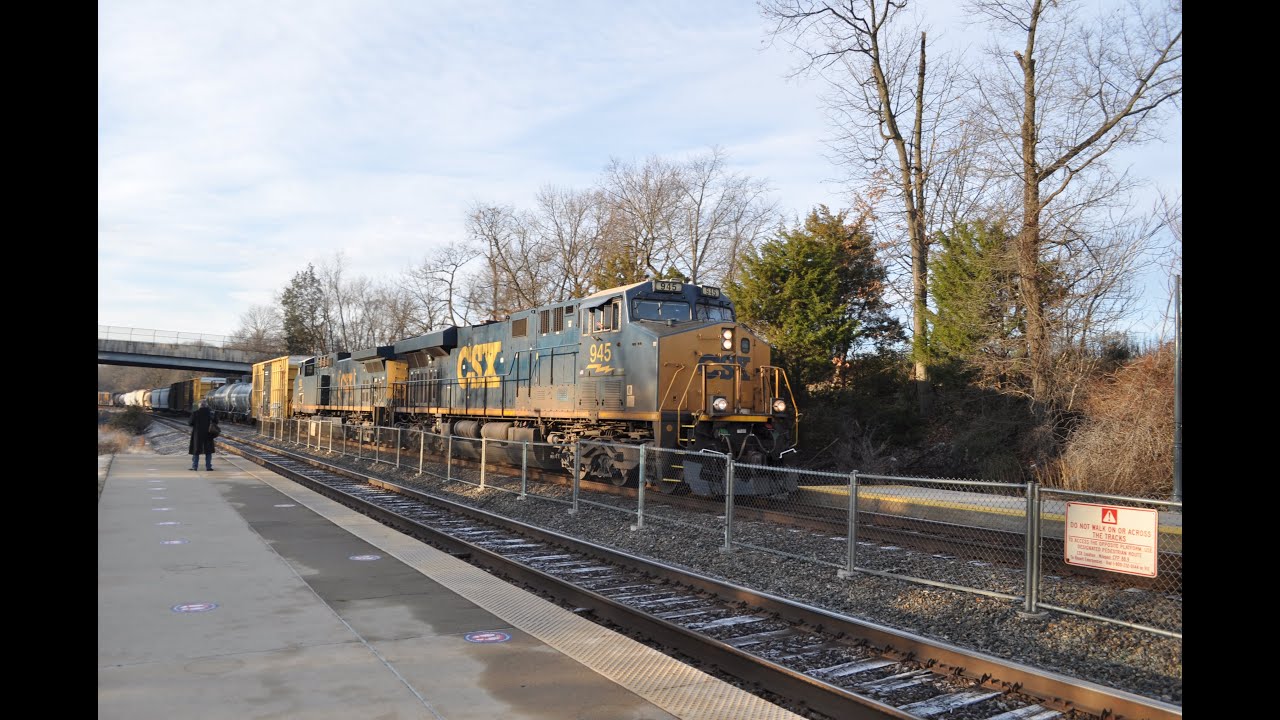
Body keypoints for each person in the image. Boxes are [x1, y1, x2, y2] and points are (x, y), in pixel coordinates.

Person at [187, 399, 216, 471]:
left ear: (199, 405)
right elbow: (216, 421)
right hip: (208, 434)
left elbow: (190, 423)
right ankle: (208, 467)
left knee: (196, 451)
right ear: (206, 405)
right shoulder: (210, 413)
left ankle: (195, 467)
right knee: (208, 451)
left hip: (197, 435)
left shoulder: (195, 413)